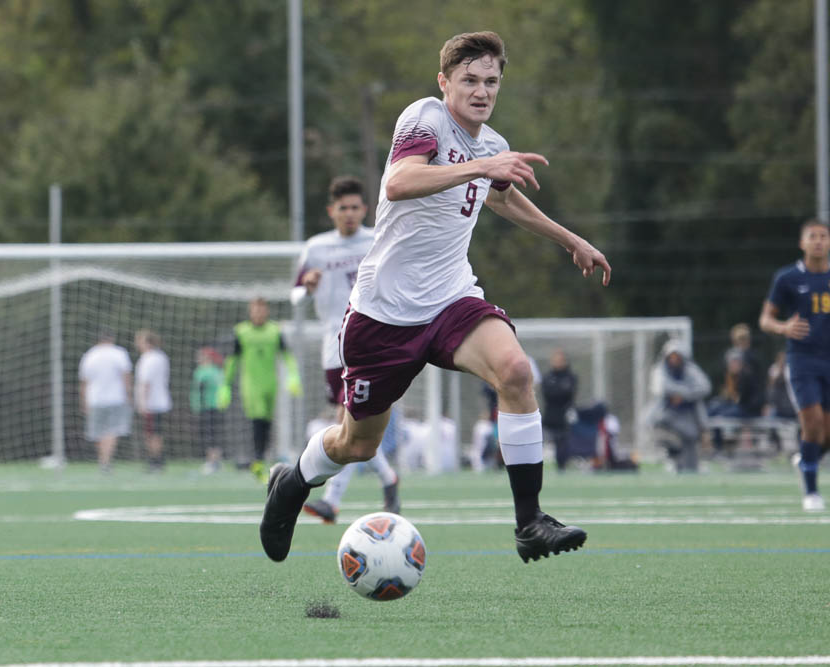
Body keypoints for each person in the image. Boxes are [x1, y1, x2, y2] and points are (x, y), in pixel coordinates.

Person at [259, 31, 611, 564]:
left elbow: (505, 201)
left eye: (491, 81)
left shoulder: (491, 146)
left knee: (516, 372)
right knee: (358, 445)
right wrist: (480, 167)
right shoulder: (424, 117)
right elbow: (400, 182)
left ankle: (529, 523)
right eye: (469, 79)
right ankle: (292, 482)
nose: (481, 90)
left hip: (451, 301)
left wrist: (571, 239)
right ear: (445, 82)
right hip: (383, 314)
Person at [290, 176, 401, 524]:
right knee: (352, 430)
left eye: (355, 207)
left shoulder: (378, 239)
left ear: (365, 210)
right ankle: (389, 478)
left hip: (369, 340)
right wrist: (306, 285)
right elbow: (294, 294)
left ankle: (331, 501)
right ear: (331, 211)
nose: (349, 214)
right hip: (331, 345)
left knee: (347, 421)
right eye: (343, 208)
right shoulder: (316, 248)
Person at [759, 218, 830, 511]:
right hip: (802, 362)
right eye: (812, 236)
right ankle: (811, 493)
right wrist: (783, 328)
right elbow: (765, 320)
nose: (818, 241)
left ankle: (805, 457)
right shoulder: (787, 278)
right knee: (811, 424)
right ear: (802, 243)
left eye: (823, 236)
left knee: (824, 435)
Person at [217, 297, 301, 481]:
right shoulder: (241, 332)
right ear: (250, 312)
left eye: (262, 310)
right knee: (258, 421)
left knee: (267, 422)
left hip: (270, 384)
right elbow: (232, 361)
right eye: (255, 310)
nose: (259, 314)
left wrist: (293, 375)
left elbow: (287, 356)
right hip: (251, 385)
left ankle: (260, 461)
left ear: (267, 311)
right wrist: (225, 385)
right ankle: (258, 461)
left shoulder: (274, 331)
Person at [648, 339, 711, 473]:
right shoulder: (660, 370)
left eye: (677, 357)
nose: (674, 360)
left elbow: (705, 387)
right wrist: (685, 390)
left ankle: (689, 466)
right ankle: (673, 456)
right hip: (666, 414)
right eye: (671, 357)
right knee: (654, 428)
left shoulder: (690, 370)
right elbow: (661, 388)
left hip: (687, 415)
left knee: (691, 437)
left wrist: (683, 395)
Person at [78, 328, 132, 474]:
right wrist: (128, 394)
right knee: (111, 431)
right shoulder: (119, 353)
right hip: (116, 398)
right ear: (112, 339)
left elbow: (84, 382)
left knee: (98, 432)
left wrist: (83, 401)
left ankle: (104, 461)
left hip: (95, 399)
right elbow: (126, 375)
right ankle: (106, 461)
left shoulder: (90, 355)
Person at [134, 329, 171, 472]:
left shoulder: (148, 359)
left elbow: (145, 383)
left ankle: (155, 461)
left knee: (152, 434)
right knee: (156, 433)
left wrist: (142, 403)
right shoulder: (161, 357)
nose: (137, 344)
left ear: (147, 343)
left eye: (140, 341)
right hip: (161, 401)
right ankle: (158, 460)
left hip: (151, 403)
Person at [541, 348, 578, 471]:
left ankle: (562, 467)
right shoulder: (547, 377)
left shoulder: (571, 377)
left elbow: (568, 393)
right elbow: (548, 393)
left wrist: (557, 391)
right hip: (549, 417)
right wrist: (559, 391)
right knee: (539, 441)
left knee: (563, 444)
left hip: (564, 417)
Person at [191, 346, 225, 473]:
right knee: (214, 435)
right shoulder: (218, 371)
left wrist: (196, 405)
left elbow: (198, 390)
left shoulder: (202, 372)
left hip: (207, 406)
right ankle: (216, 461)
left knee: (209, 435)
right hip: (218, 406)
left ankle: (212, 462)